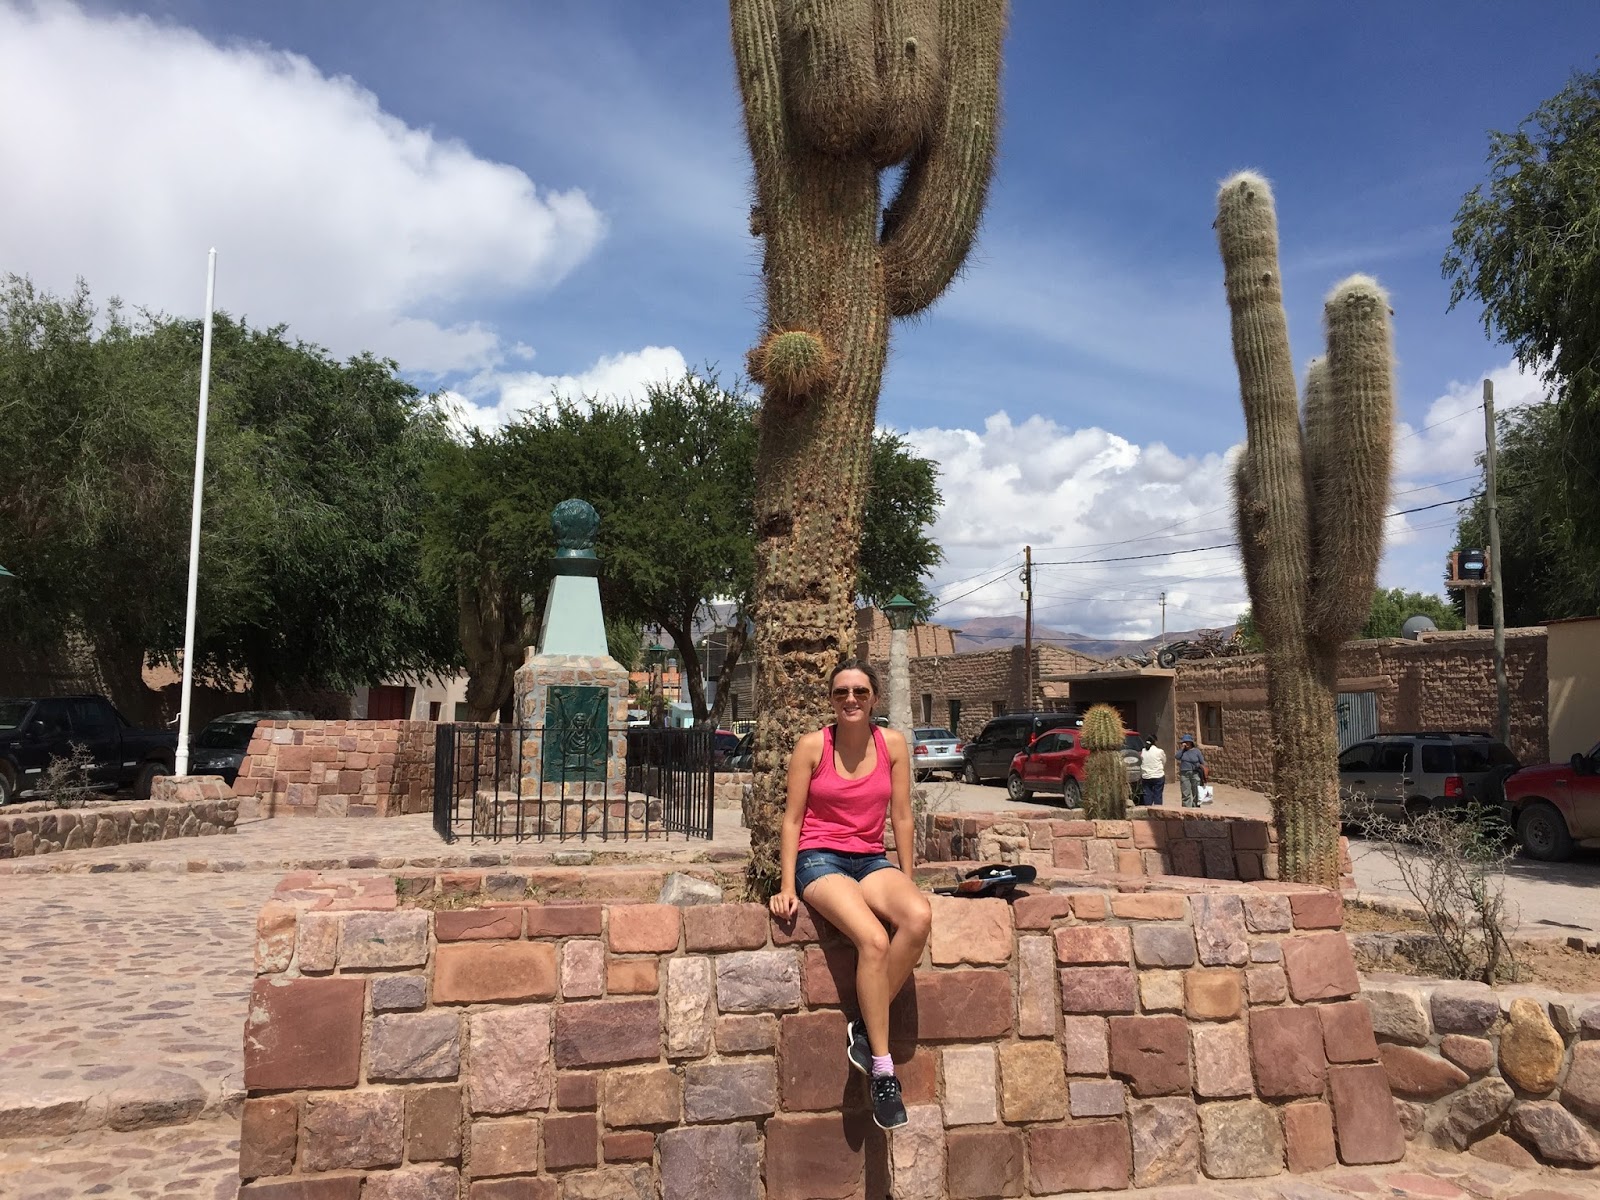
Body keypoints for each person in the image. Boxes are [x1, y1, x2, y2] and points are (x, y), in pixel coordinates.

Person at [768, 659, 931, 1132]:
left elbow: (901, 815)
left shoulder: (893, 745)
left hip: (870, 859)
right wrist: (784, 885)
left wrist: (907, 876)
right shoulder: (812, 746)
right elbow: (792, 821)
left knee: (917, 916)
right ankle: (883, 1071)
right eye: (841, 693)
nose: (851, 699)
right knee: (874, 941)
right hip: (819, 859)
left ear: (874, 697)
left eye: (860, 691)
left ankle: (863, 1022)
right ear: (832, 700)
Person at [1178, 734, 1207, 808]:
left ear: (1191, 743)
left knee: (1196, 792)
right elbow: (1177, 756)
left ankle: (1196, 808)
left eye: (1187, 742)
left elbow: (1203, 762)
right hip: (1184, 774)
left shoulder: (1196, 751)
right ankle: (1186, 809)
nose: (1186, 744)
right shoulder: (1182, 752)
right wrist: (1182, 749)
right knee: (1185, 793)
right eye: (1184, 742)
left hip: (1195, 773)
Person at [1138, 736, 1166, 807]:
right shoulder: (1159, 751)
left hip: (1146, 776)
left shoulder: (1143, 751)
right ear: (1155, 742)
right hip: (1158, 776)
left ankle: (1147, 810)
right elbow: (1164, 761)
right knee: (1158, 795)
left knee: (1147, 794)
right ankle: (1158, 811)